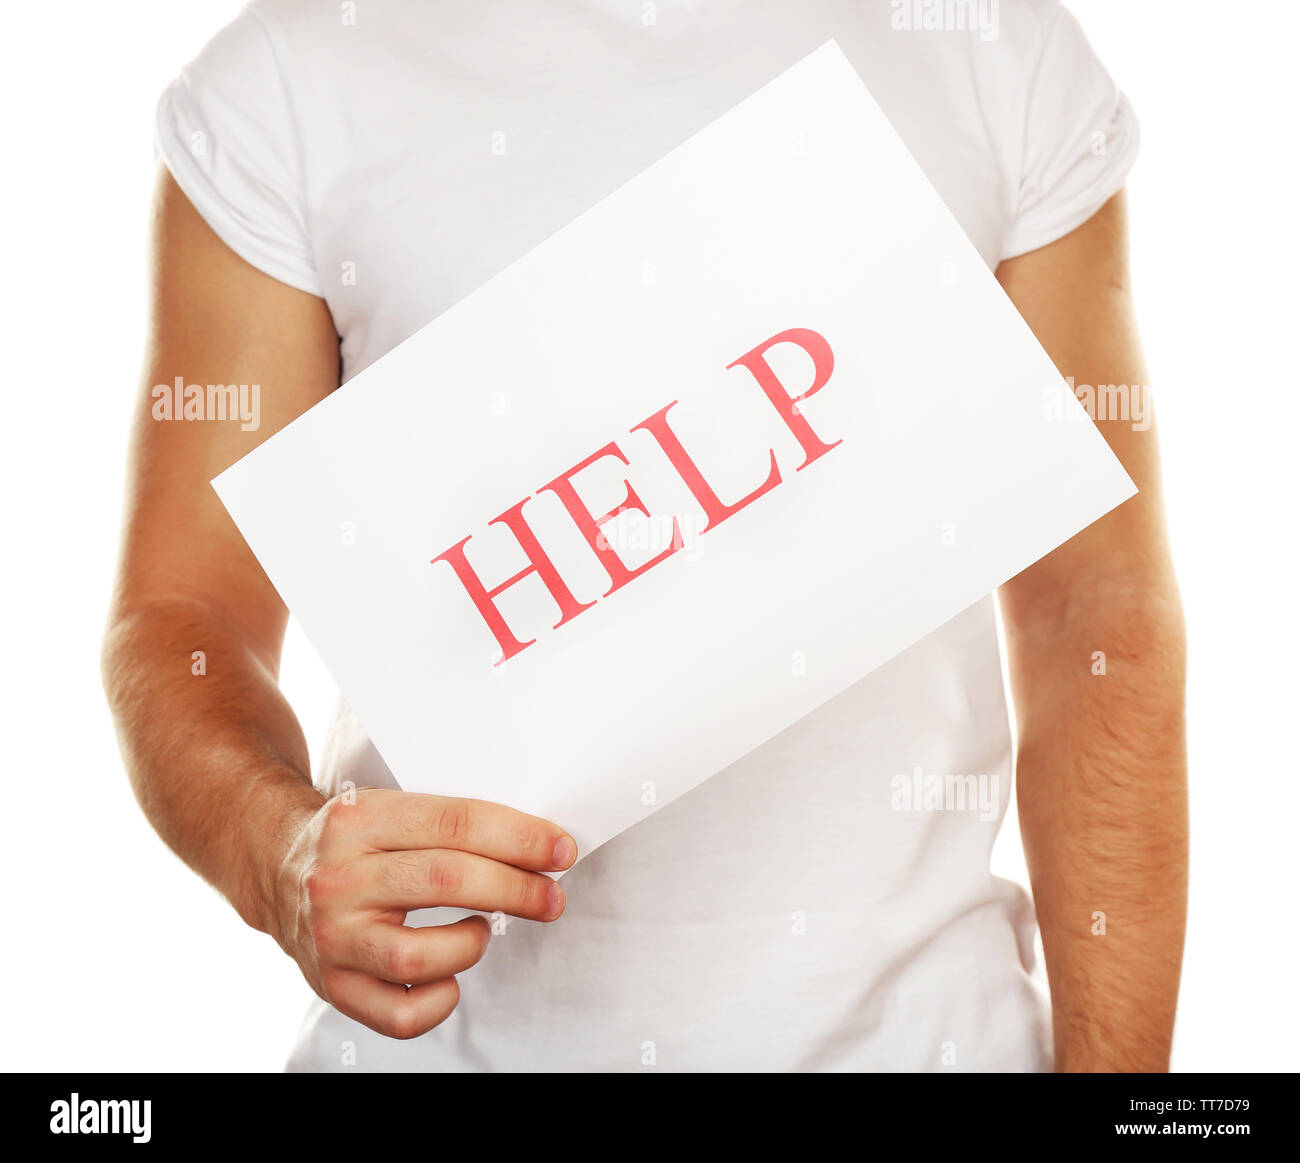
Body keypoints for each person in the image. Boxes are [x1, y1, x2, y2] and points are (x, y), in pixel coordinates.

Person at [103, 0, 1187, 1071]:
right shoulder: (286, 82)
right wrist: (276, 842)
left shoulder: (993, 45)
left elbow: (1089, 612)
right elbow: (187, 610)